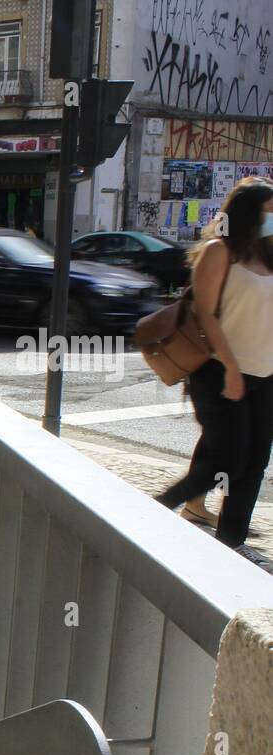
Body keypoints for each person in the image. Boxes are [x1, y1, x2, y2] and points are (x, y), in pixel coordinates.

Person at [153, 177, 273, 568]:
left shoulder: (268, 254)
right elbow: (206, 315)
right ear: (249, 212)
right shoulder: (219, 252)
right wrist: (233, 368)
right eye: (270, 210)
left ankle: (231, 543)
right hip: (221, 372)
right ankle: (155, 508)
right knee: (228, 461)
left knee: (254, 460)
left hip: (266, 373)